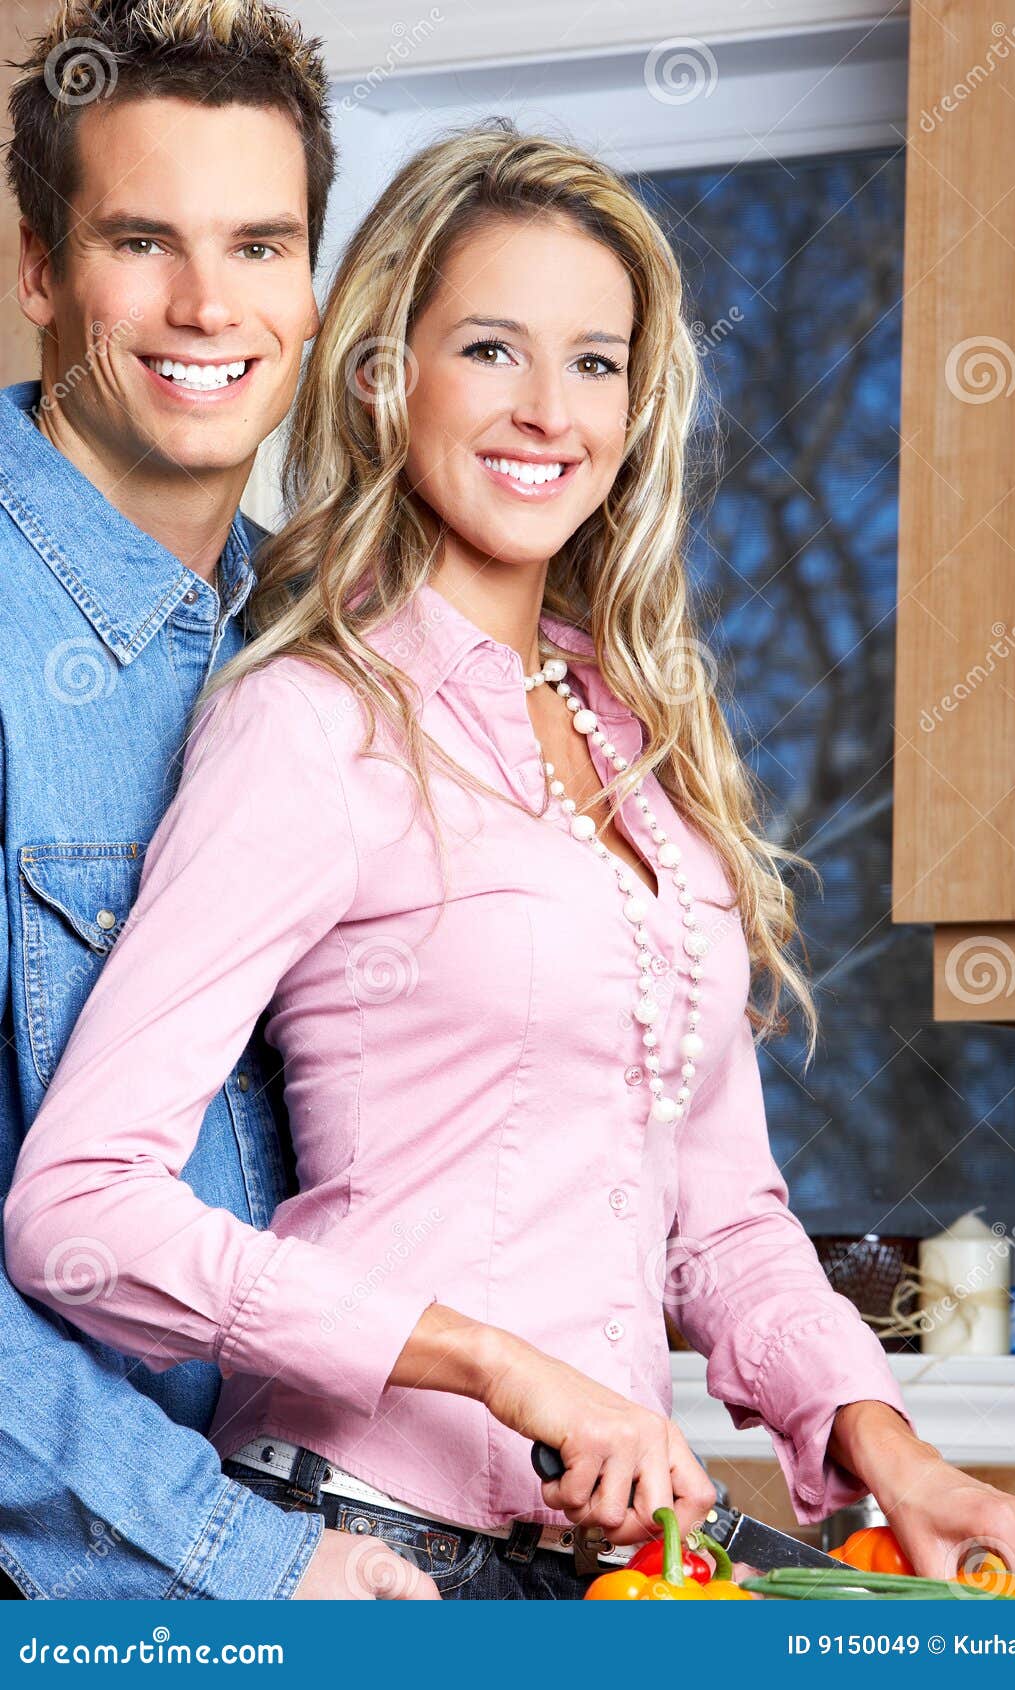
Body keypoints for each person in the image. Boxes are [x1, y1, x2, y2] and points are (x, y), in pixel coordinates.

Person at [10, 117, 1015, 1601]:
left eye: (597, 361)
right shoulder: (311, 722)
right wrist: (496, 1364)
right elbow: (79, 1206)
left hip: (603, 1569)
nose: (548, 410)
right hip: (363, 1555)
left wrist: (895, 1448)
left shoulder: (648, 750)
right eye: (493, 349)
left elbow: (729, 1217)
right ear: (389, 375)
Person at [0, 0, 435, 1601]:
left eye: (260, 244)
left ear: (312, 286)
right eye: (140, 241)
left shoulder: (327, 654)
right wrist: (225, 1554)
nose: (207, 304)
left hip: (333, 1551)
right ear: (41, 270)